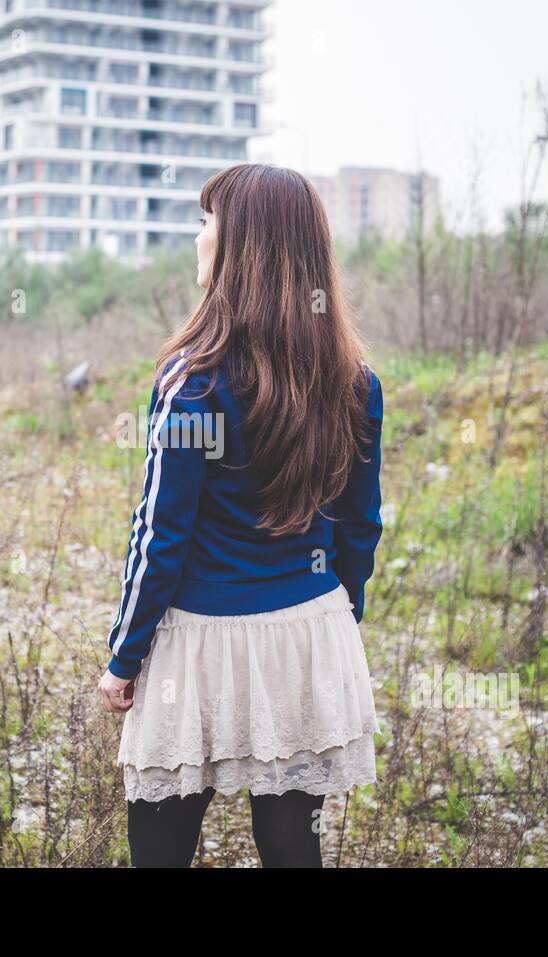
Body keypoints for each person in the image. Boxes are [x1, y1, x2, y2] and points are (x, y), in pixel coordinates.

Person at [98, 163, 385, 868]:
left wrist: (122, 657)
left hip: (199, 641)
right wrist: (338, 618)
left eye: (206, 222)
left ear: (241, 246)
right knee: (293, 847)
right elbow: (360, 524)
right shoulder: (354, 380)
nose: (197, 237)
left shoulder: (192, 381)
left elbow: (160, 536)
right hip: (308, 631)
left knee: (159, 843)